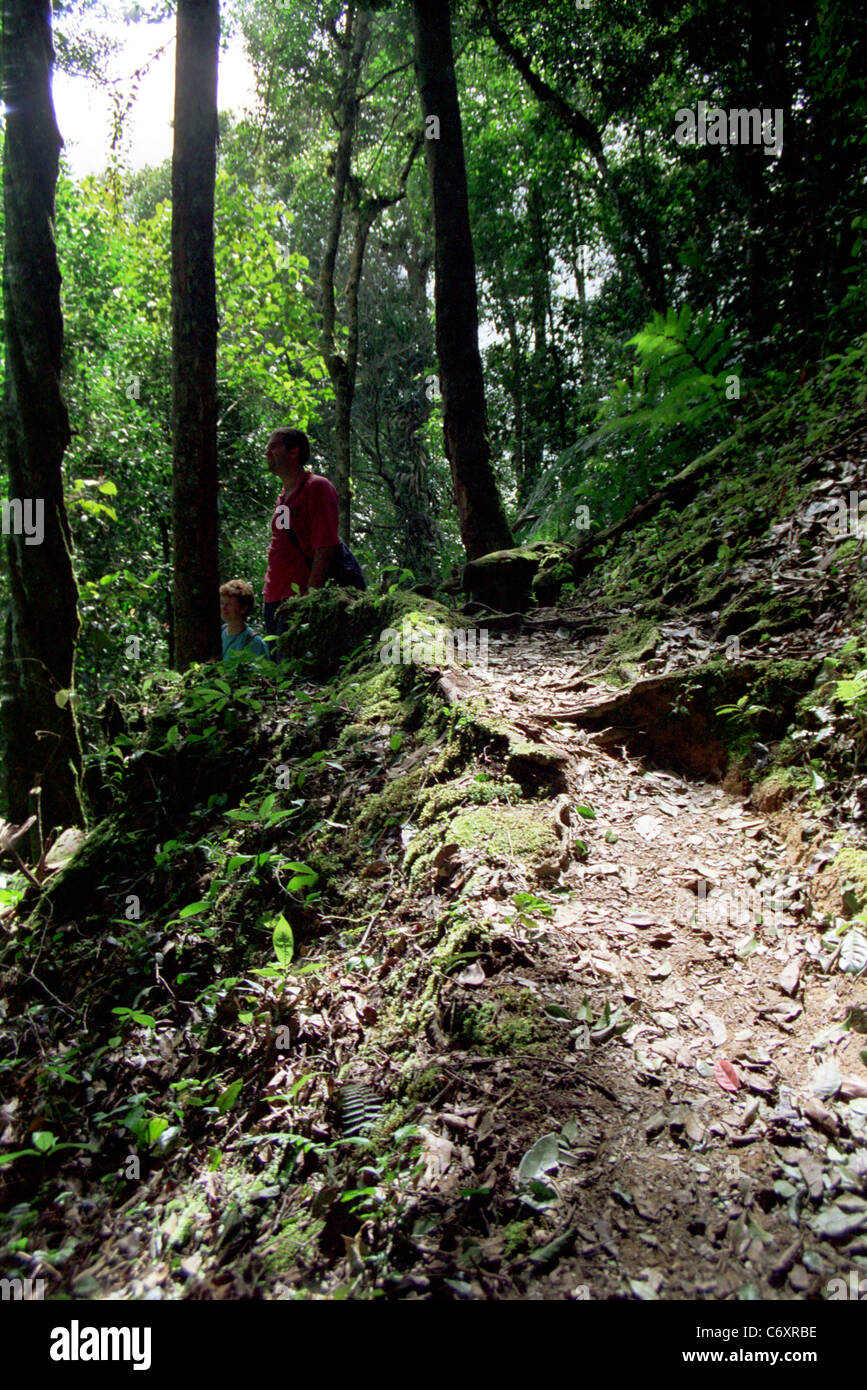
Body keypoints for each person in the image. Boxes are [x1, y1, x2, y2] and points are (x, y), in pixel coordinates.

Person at [262, 427, 339, 646]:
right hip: (274, 598)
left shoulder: (317, 487)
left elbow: (326, 543)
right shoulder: (283, 498)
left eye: (273, 447)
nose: (267, 453)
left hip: (298, 598)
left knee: (293, 670)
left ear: (293, 452)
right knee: (276, 670)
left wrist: (310, 595)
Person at [220, 579, 269, 660]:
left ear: (243, 608)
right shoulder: (219, 634)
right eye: (222, 603)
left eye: (228, 604)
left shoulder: (254, 642)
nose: (223, 608)